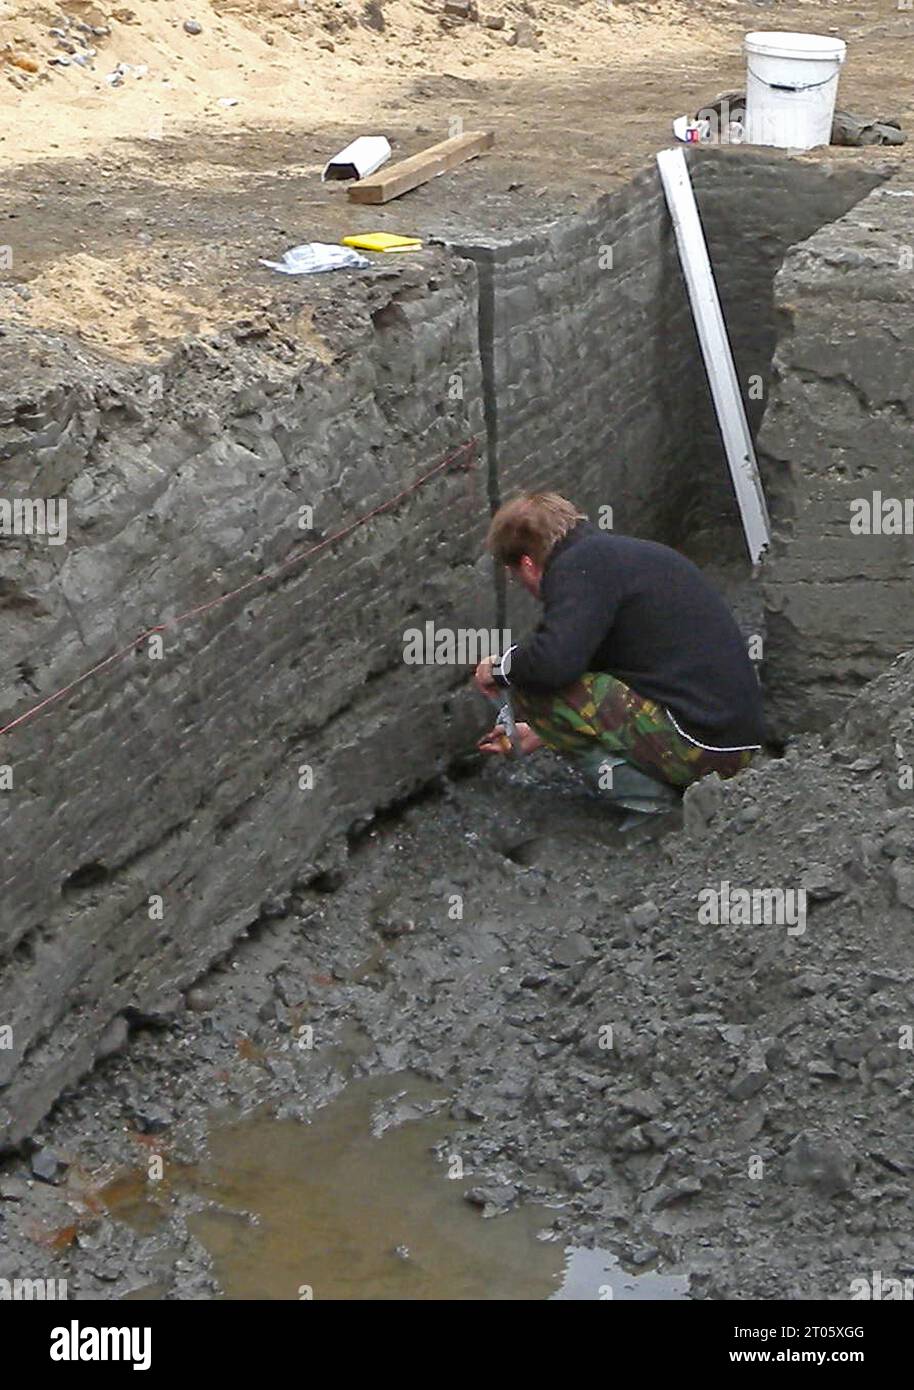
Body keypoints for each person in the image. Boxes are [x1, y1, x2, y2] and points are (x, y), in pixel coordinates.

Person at [474, 492, 764, 813]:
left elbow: (553, 664)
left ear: (527, 565)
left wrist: (500, 669)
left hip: (705, 749)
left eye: (516, 577)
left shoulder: (577, 568)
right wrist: (544, 733)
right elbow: (607, 663)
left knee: (533, 690)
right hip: (731, 740)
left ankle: (652, 806)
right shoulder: (611, 559)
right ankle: (661, 781)